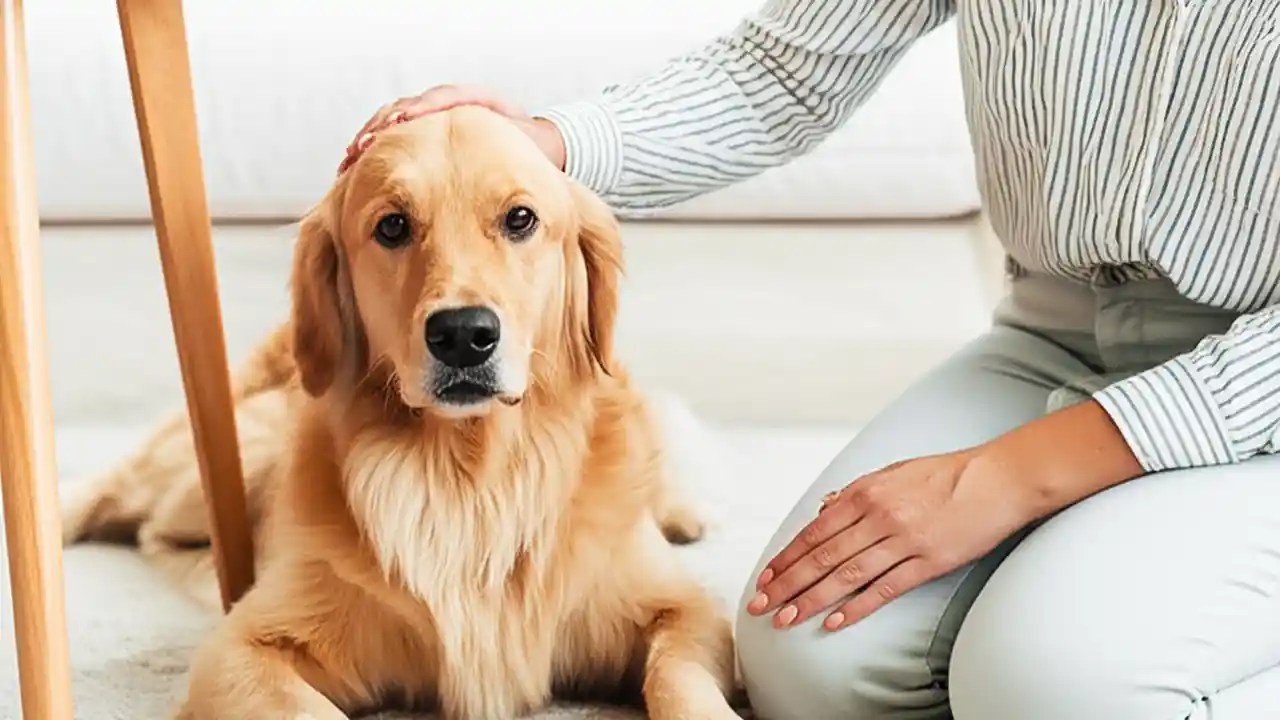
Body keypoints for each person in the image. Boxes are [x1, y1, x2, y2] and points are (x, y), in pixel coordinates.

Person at [341, 1, 1280, 718]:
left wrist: (1011, 477)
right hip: (1061, 323)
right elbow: (784, 74)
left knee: (1040, 685)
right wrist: (539, 149)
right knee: (807, 663)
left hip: (1259, 383)